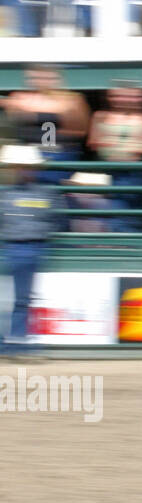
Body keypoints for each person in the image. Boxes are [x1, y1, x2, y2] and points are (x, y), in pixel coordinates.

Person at [1, 146, 68, 351]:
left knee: (22, 297)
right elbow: (58, 220)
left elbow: (58, 220)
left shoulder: (47, 194)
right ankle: (16, 339)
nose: (24, 171)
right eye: (20, 167)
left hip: (30, 246)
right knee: (20, 297)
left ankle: (17, 339)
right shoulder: (6, 195)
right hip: (14, 247)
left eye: (27, 167)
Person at [87, 83, 142, 232]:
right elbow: (94, 141)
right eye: (117, 96)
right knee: (108, 211)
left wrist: (112, 144)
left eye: (132, 96)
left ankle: (130, 245)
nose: (123, 100)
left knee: (130, 214)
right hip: (106, 172)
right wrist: (133, 145)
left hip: (137, 174)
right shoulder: (100, 116)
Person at [2, 64, 91, 182]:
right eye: (36, 77)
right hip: (27, 157)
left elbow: (81, 130)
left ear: (57, 79)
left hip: (60, 155)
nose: (41, 81)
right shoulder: (20, 97)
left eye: (46, 77)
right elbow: (12, 114)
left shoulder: (73, 99)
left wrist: (34, 112)